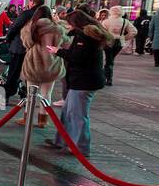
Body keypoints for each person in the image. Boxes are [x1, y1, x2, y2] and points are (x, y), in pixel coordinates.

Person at [47, 10, 114, 158]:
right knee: (69, 112)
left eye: (70, 23)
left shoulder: (85, 36)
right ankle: (64, 142)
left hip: (84, 81)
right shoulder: (87, 34)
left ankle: (80, 147)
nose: (68, 26)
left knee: (77, 115)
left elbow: (77, 57)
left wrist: (58, 51)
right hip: (82, 80)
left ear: (76, 24)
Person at [19, 6, 64, 129]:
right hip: (51, 63)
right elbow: (63, 43)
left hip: (33, 63)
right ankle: (42, 120)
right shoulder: (57, 28)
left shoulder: (30, 28)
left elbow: (26, 44)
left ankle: (27, 118)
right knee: (46, 94)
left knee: (30, 94)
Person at [1, 0, 45, 102]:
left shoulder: (27, 14)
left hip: (20, 47)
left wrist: (8, 39)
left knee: (14, 72)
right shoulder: (44, 15)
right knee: (31, 73)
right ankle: (28, 94)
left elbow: (15, 27)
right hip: (35, 49)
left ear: (33, 2)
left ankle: (6, 94)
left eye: (30, 1)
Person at [103, 5, 135, 83]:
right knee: (110, 59)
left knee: (109, 59)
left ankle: (107, 77)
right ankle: (107, 76)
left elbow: (102, 32)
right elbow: (134, 31)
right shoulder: (125, 21)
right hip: (119, 42)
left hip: (108, 42)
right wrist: (124, 38)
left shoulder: (106, 21)